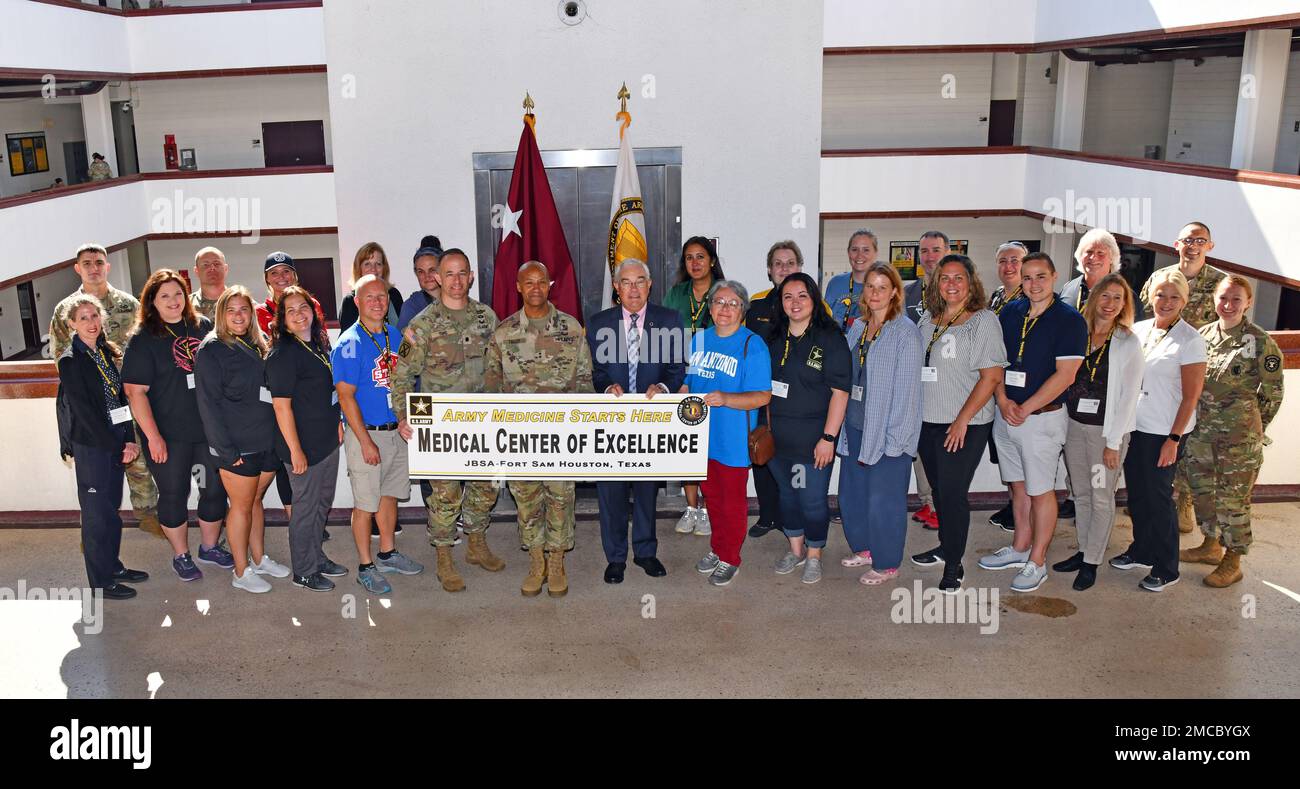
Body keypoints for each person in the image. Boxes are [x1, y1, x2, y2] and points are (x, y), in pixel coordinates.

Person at [391, 248, 504, 593]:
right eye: (449, 274)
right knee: (445, 494)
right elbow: (402, 375)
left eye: (462, 274)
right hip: (440, 423)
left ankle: (476, 541)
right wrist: (402, 413)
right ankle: (443, 555)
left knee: (486, 487)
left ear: (471, 277)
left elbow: (499, 367)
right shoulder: (421, 325)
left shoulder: (487, 318)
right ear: (437, 278)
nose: (456, 281)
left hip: (484, 420)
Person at [485, 260, 594, 597]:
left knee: (560, 497)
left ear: (551, 285)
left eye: (541, 282)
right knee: (528, 499)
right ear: (518, 287)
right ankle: (536, 560)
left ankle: (557, 560)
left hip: (562, 436)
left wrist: (585, 428)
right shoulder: (503, 333)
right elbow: (491, 388)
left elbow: (586, 382)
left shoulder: (572, 329)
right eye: (528, 283)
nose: (535, 288)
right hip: (520, 436)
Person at [980, 252, 1086, 592]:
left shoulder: (1069, 320)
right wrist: (1002, 401)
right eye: (1027, 278)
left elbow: (1065, 376)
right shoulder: (1011, 311)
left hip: (1041, 418)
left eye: (1040, 276)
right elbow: (996, 362)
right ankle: (1019, 546)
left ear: (1054, 277)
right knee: (1018, 486)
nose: (1033, 284)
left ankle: (1037, 561)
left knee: (1041, 491)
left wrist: (1026, 407)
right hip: (1006, 411)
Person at [121, 270, 231, 581]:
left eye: (178, 294)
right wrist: (153, 437)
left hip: (207, 431)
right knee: (174, 493)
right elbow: (134, 392)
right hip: (168, 435)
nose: (173, 301)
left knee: (213, 490)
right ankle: (181, 555)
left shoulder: (203, 327)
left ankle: (209, 548)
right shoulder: (143, 339)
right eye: (165, 296)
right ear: (152, 302)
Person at [909, 255, 1006, 593]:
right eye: (944, 278)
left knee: (952, 494)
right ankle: (945, 546)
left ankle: (954, 565)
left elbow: (992, 377)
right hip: (928, 422)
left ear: (971, 282)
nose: (951, 284)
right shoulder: (928, 320)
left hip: (965, 423)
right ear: (936, 284)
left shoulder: (983, 321)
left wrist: (962, 420)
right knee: (939, 492)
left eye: (958, 278)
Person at [50, 244, 161, 537]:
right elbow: (61, 354)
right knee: (97, 472)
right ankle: (95, 531)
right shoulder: (65, 310)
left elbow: (144, 344)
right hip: (92, 403)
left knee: (137, 457)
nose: (94, 267)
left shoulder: (128, 304)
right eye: (87, 263)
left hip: (128, 397)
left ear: (108, 266)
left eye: (99, 262)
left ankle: (147, 513)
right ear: (78, 268)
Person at [1179, 276, 1284, 587]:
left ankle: (1233, 560)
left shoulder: (1260, 341)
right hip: (1202, 434)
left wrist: (1252, 425)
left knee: (1234, 500)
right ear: (1214, 300)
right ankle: (1210, 546)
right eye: (1223, 298)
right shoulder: (1203, 335)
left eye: (1236, 299)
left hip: (1238, 439)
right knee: (1203, 493)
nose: (1228, 304)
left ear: (1247, 303)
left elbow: (1273, 392)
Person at [587, 259, 686, 584]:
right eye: (625, 282)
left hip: (651, 421)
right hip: (612, 423)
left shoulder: (669, 320)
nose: (633, 288)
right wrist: (605, 387)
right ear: (616, 287)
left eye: (639, 281)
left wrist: (664, 387)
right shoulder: (599, 323)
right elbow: (596, 372)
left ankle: (645, 552)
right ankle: (615, 558)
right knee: (611, 492)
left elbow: (676, 368)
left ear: (650, 284)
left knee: (646, 490)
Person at [1109, 268, 1206, 592]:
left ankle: (1167, 566)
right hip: (1135, 426)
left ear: (1184, 300)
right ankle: (1142, 549)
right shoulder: (1139, 330)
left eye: (1174, 296)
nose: (1166, 302)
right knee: (1137, 495)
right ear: (1151, 297)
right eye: (1161, 295)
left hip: (1164, 430)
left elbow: (1191, 396)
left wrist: (1173, 439)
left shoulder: (1190, 340)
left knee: (1159, 498)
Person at [195, 286, 290, 593]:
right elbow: (207, 404)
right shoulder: (211, 349)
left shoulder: (257, 343)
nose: (238, 316)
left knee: (254, 502)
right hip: (236, 446)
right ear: (221, 314)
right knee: (240, 507)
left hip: (265, 442)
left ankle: (259, 558)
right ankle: (241, 570)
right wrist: (225, 449)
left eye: (244, 310)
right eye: (231, 310)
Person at [332, 274, 422, 595]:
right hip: (365, 434)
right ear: (356, 302)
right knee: (365, 504)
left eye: (382, 296)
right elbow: (345, 397)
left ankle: (387, 552)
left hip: (394, 432)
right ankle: (366, 566)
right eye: (369, 297)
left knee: (389, 495)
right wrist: (366, 441)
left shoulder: (393, 335)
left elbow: (403, 380)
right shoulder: (348, 343)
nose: (377, 302)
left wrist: (402, 418)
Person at [56, 295, 149, 600]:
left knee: (110, 511)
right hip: (93, 448)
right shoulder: (71, 360)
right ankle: (100, 581)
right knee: (96, 515)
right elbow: (85, 412)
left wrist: (129, 439)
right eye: (83, 318)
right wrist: (116, 445)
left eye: (94, 316)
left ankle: (113, 567)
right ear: (72, 324)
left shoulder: (105, 352)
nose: (91, 323)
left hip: (113, 443)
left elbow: (119, 401)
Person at [1055, 274, 1143, 590]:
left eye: (1118, 298)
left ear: (1124, 305)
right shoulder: (1078, 334)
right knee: (1080, 492)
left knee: (1101, 497)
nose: (1110, 304)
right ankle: (1082, 551)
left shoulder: (1127, 341)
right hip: (1075, 428)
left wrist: (1113, 443)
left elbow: (1129, 397)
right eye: (1105, 296)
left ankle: (1092, 562)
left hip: (1105, 435)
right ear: (1094, 298)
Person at [684, 279, 772, 587]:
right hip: (700, 437)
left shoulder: (752, 345)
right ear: (710, 308)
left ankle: (731, 557)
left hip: (732, 440)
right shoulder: (699, 340)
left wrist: (726, 399)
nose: (725, 308)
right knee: (712, 499)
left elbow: (763, 395)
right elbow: (689, 384)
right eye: (719, 302)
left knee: (732, 502)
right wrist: (672, 395)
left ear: (743, 310)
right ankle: (717, 548)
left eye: (732, 303)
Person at [1140, 222, 1226, 534]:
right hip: (1163, 368)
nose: (1193, 246)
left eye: (1200, 240)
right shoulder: (1159, 278)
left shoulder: (1220, 283)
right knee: (1163, 437)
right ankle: (1157, 499)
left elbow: (1228, 325)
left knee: (1193, 444)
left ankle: (1184, 503)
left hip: (1201, 370)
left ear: (1210, 246)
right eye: (1188, 240)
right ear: (1177, 244)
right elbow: (1146, 317)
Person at [839, 264, 922, 585]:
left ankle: (887, 562)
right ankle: (864, 549)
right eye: (870, 287)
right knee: (853, 494)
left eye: (882, 287)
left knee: (883, 500)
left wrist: (896, 439)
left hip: (890, 433)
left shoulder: (905, 332)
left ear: (895, 293)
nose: (874, 293)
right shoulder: (857, 328)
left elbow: (908, 393)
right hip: (856, 427)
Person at [766, 273, 850, 585]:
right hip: (778, 440)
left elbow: (840, 393)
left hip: (814, 441)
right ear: (781, 302)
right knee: (787, 496)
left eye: (802, 295)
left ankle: (814, 554)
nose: (795, 302)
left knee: (812, 499)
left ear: (814, 299)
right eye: (788, 296)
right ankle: (796, 549)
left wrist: (828, 438)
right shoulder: (773, 338)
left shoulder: (830, 338)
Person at [266, 286, 349, 592]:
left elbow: (326, 393)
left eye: (304, 307)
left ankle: (316, 557)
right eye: (291, 311)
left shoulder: (316, 344)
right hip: (302, 447)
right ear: (282, 319)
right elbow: (281, 406)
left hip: (326, 440)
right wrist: (295, 450)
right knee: (304, 509)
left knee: (321, 504)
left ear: (313, 311)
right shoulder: (282, 354)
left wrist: (337, 423)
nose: (299, 315)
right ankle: (303, 570)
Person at [744, 240, 818, 539]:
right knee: (762, 451)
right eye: (777, 263)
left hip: (798, 398)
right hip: (761, 396)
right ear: (769, 270)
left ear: (799, 267)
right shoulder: (757, 305)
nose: (783, 268)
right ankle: (768, 515)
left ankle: (796, 520)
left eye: (789, 263)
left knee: (795, 460)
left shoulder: (813, 304)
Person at [255, 252, 331, 530]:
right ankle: (296, 523)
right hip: (272, 403)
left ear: (295, 275)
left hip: (306, 405)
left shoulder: (312, 306)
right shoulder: (257, 313)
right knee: (281, 469)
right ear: (266, 280)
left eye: (286, 271)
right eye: (274, 273)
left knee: (302, 470)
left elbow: (320, 343)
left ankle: (308, 526)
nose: (281, 278)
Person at [663, 236, 725, 537]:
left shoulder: (724, 292)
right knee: (688, 445)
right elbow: (663, 335)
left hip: (715, 377)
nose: (695, 263)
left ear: (712, 260)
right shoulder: (677, 294)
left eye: (701, 256)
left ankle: (712, 509)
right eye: (689, 258)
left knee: (711, 447)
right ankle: (691, 508)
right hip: (682, 379)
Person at [902, 230, 948, 530]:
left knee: (940, 449)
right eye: (925, 251)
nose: (930, 256)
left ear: (947, 251)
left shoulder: (954, 289)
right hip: (913, 379)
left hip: (943, 382)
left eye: (935, 250)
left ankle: (942, 506)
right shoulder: (910, 291)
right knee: (918, 446)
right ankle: (928, 502)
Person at [986, 241, 1028, 532]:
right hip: (996, 383)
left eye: (1014, 260)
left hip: (1020, 387)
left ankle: (1022, 512)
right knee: (1006, 456)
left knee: (1022, 458)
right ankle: (1013, 504)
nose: (1008, 266)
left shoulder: (1032, 298)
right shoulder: (998, 296)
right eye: (1003, 261)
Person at [339, 242, 404, 331]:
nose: (373, 269)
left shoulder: (394, 295)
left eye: (378, 264)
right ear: (359, 268)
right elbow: (350, 341)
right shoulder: (350, 301)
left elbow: (403, 332)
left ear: (384, 268)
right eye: (367, 264)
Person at [823, 229, 878, 330]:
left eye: (866, 250)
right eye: (854, 249)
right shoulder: (835, 283)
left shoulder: (884, 287)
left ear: (875, 253)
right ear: (848, 253)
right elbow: (824, 320)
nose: (859, 255)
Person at [1059, 228, 1121, 313]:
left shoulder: (1125, 294)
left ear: (1112, 258)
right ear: (1080, 256)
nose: (1093, 257)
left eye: (1100, 253)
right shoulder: (1068, 288)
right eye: (1089, 252)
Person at [396, 236, 444, 330]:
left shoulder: (456, 299)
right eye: (421, 271)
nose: (427, 276)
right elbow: (403, 341)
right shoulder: (411, 307)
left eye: (432, 270)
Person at [189, 246, 229, 322]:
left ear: (226, 269)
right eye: (206, 265)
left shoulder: (242, 303)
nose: (212, 267)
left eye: (217, 263)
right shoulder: (186, 306)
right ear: (196, 271)